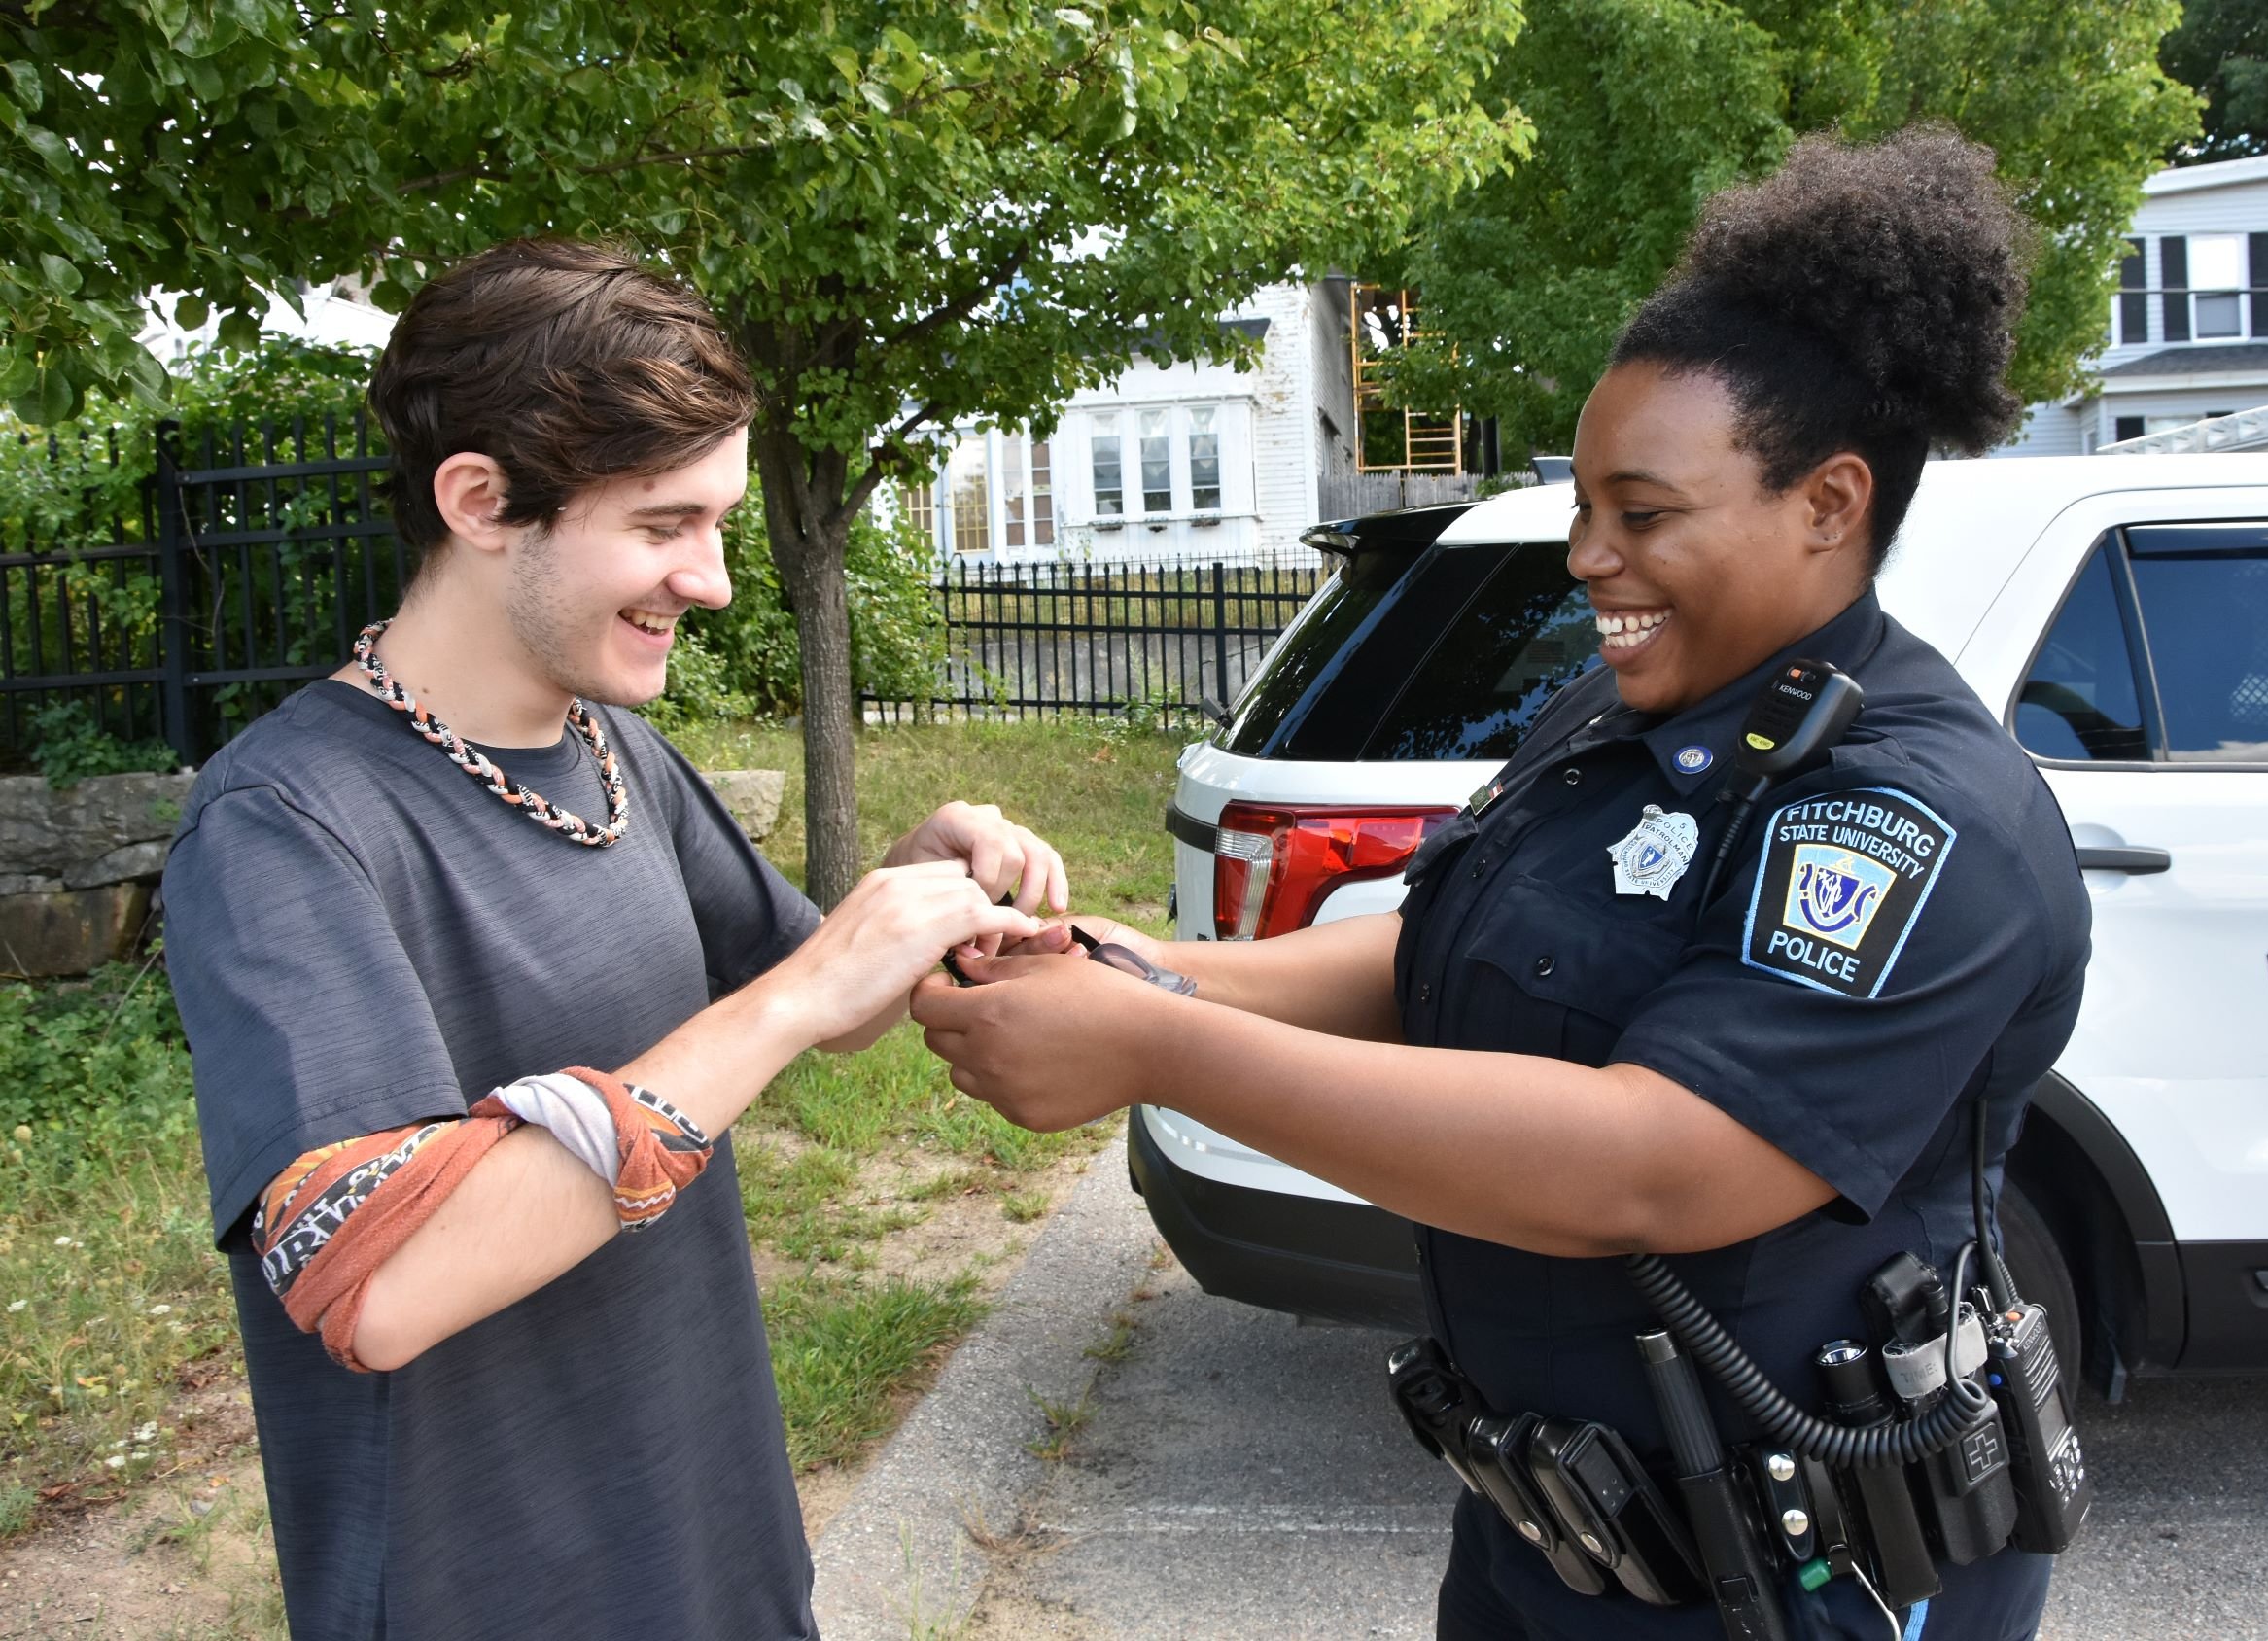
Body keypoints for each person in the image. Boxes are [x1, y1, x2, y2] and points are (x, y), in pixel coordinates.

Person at [913, 128, 2088, 1641]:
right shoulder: (1627, 713)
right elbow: (1446, 949)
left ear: (1830, 502)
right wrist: (1126, 962)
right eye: (1586, 503)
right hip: (1554, 1544)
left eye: (1644, 513)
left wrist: (1156, 1048)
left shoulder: (1915, 815)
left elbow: (1654, 1166)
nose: (1592, 556)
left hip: (1803, 1588)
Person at [162, 238, 1065, 1641]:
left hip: (714, 1543)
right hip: (492, 1589)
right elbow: (383, 1284)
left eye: (716, 518)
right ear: (481, 501)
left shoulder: (619, 753)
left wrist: (903, 902)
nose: (710, 578)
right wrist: (798, 997)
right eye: (662, 523)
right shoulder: (286, 824)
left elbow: (814, 1003)